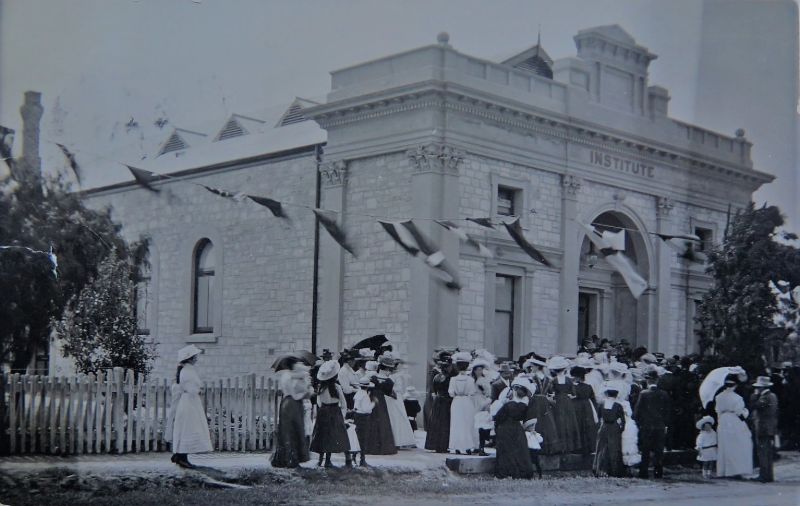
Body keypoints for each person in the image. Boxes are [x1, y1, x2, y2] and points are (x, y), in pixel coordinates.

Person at [167, 345, 213, 469]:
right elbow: (191, 388)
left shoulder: (185, 370)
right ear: (190, 359)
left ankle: (179, 454)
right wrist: (199, 389)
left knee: (184, 428)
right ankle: (182, 456)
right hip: (189, 402)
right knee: (188, 428)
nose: (196, 359)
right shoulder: (188, 371)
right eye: (194, 357)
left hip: (188, 401)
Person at [491, 376, 535, 479]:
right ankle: (521, 472)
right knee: (519, 451)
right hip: (517, 429)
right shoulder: (524, 405)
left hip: (505, 428)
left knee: (505, 450)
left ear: (514, 390)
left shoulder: (508, 405)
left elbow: (498, 417)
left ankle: (505, 472)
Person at [271, 361, 312, 468]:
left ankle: (285, 458)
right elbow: (295, 395)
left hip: (286, 403)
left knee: (287, 431)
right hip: (293, 404)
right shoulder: (292, 378)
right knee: (294, 430)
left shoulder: (286, 376)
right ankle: (292, 459)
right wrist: (305, 393)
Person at [310, 360, 351, 468]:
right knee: (336, 436)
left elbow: (318, 402)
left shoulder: (320, 387)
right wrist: (343, 415)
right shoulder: (336, 387)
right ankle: (331, 460)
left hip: (323, 411)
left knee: (323, 435)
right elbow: (343, 403)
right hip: (334, 412)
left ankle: (320, 460)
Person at [634, 370, 671, 479]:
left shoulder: (643, 394)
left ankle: (644, 472)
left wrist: (639, 422)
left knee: (645, 449)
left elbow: (637, 411)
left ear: (648, 380)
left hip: (646, 426)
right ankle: (658, 472)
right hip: (660, 425)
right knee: (658, 450)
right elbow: (668, 412)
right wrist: (665, 424)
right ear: (657, 380)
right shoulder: (664, 394)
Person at [714, 375, 753, 478]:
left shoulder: (719, 397)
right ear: (735, 385)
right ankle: (736, 470)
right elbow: (739, 412)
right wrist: (746, 412)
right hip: (733, 420)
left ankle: (724, 470)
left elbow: (717, 410)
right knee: (738, 444)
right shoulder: (737, 398)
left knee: (724, 445)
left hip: (723, 420)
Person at [378, 355, 416, 448]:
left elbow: (398, 388)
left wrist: (391, 390)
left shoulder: (397, 376)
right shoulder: (389, 375)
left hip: (394, 398)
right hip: (388, 397)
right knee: (391, 418)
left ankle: (398, 441)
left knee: (397, 418)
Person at [545, 356, 581, 453]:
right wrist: (568, 396)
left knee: (558, 422)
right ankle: (569, 446)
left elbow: (550, 392)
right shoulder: (569, 380)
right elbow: (574, 394)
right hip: (567, 401)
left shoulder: (553, 380)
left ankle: (560, 447)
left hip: (557, 401)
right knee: (568, 422)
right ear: (564, 369)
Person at [750, 376, 779, 482]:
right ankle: (768, 475)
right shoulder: (773, 396)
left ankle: (764, 475)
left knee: (763, 452)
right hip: (769, 427)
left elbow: (755, 406)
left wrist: (754, 395)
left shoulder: (764, 397)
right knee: (767, 452)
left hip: (763, 427)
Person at [448, 352, 477, 454]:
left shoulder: (453, 379)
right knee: (467, 423)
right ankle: (468, 446)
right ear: (467, 366)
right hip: (467, 401)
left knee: (456, 424)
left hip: (456, 401)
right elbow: (472, 392)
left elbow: (451, 393)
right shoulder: (470, 380)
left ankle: (457, 446)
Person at [593, 388, 626, 478]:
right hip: (613, 427)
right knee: (614, 448)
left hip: (604, 427)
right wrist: (621, 429)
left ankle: (600, 469)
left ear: (607, 395)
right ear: (615, 396)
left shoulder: (602, 404)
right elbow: (623, 420)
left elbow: (598, 417)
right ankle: (614, 471)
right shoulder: (618, 405)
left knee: (601, 448)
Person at [424, 358, 454, 453]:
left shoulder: (436, 377)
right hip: (446, 401)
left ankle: (435, 445)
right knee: (444, 423)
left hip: (438, 400)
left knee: (436, 422)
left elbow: (435, 389)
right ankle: (443, 446)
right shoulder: (449, 378)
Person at [571, 365, 598, 455]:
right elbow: (593, 399)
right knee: (587, 427)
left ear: (576, 377)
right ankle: (589, 447)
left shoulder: (574, 387)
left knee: (578, 425)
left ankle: (578, 447)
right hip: (587, 407)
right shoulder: (588, 386)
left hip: (576, 407)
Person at [352, 376, 377, 466]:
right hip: (363, 417)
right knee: (363, 438)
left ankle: (354, 457)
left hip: (357, 416)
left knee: (357, 438)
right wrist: (373, 403)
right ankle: (362, 459)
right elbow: (367, 409)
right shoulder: (365, 396)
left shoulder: (358, 393)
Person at [471, 359, 493, 455]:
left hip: (481, 401)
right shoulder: (472, 380)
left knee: (481, 425)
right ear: (474, 370)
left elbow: (488, 392)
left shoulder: (483, 380)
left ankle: (481, 447)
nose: (479, 372)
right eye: (477, 370)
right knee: (473, 425)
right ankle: (475, 445)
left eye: (481, 370)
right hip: (473, 402)